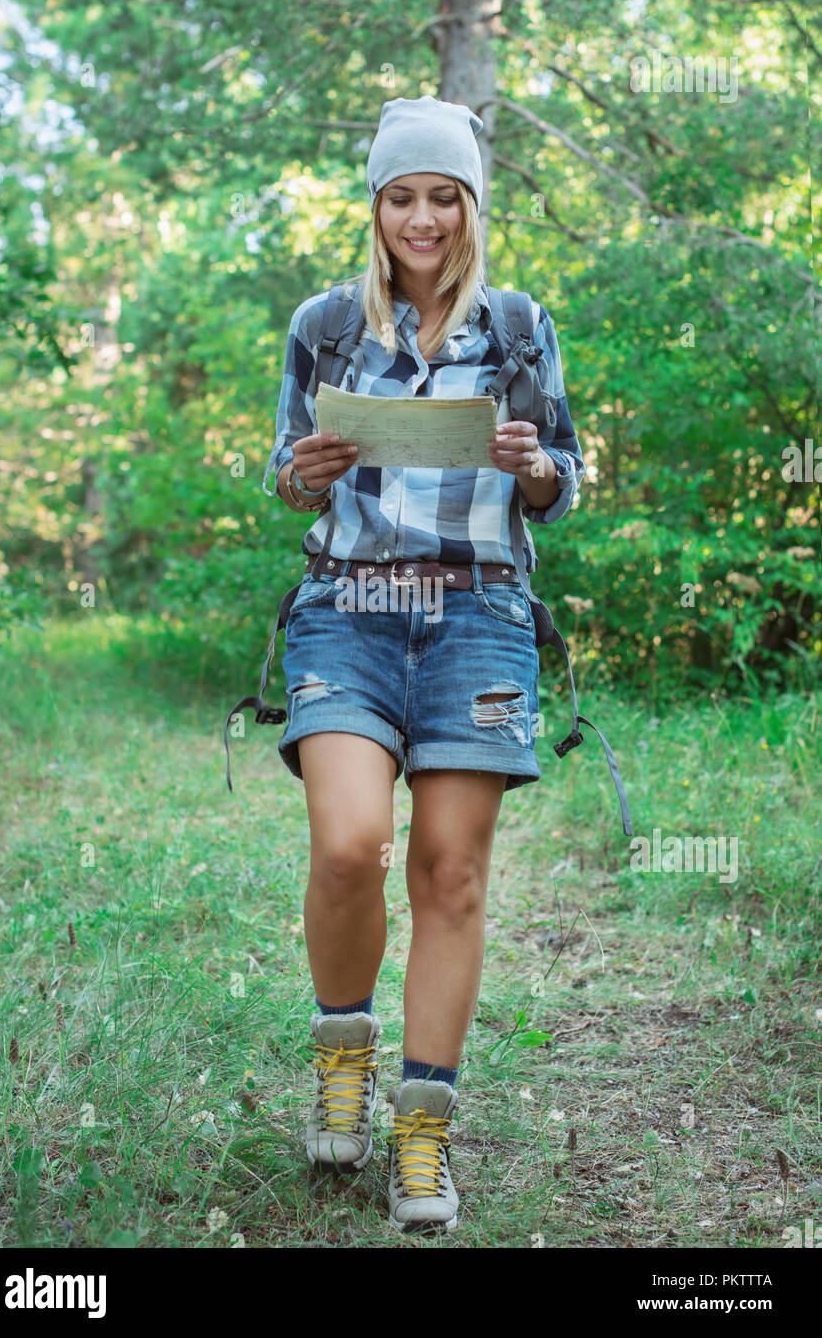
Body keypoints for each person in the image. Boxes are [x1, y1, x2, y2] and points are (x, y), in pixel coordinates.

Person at [261, 95, 585, 1233]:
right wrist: (306, 466)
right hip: (347, 609)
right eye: (402, 195)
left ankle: (423, 1131)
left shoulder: (518, 325)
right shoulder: (325, 326)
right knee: (352, 842)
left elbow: (566, 480)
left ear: (472, 205)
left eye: (443, 195)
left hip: (479, 617)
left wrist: (533, 463)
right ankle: (342, 1054)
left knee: (451, 870)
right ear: (376, 207)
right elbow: (284, 476)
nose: (423, 217)